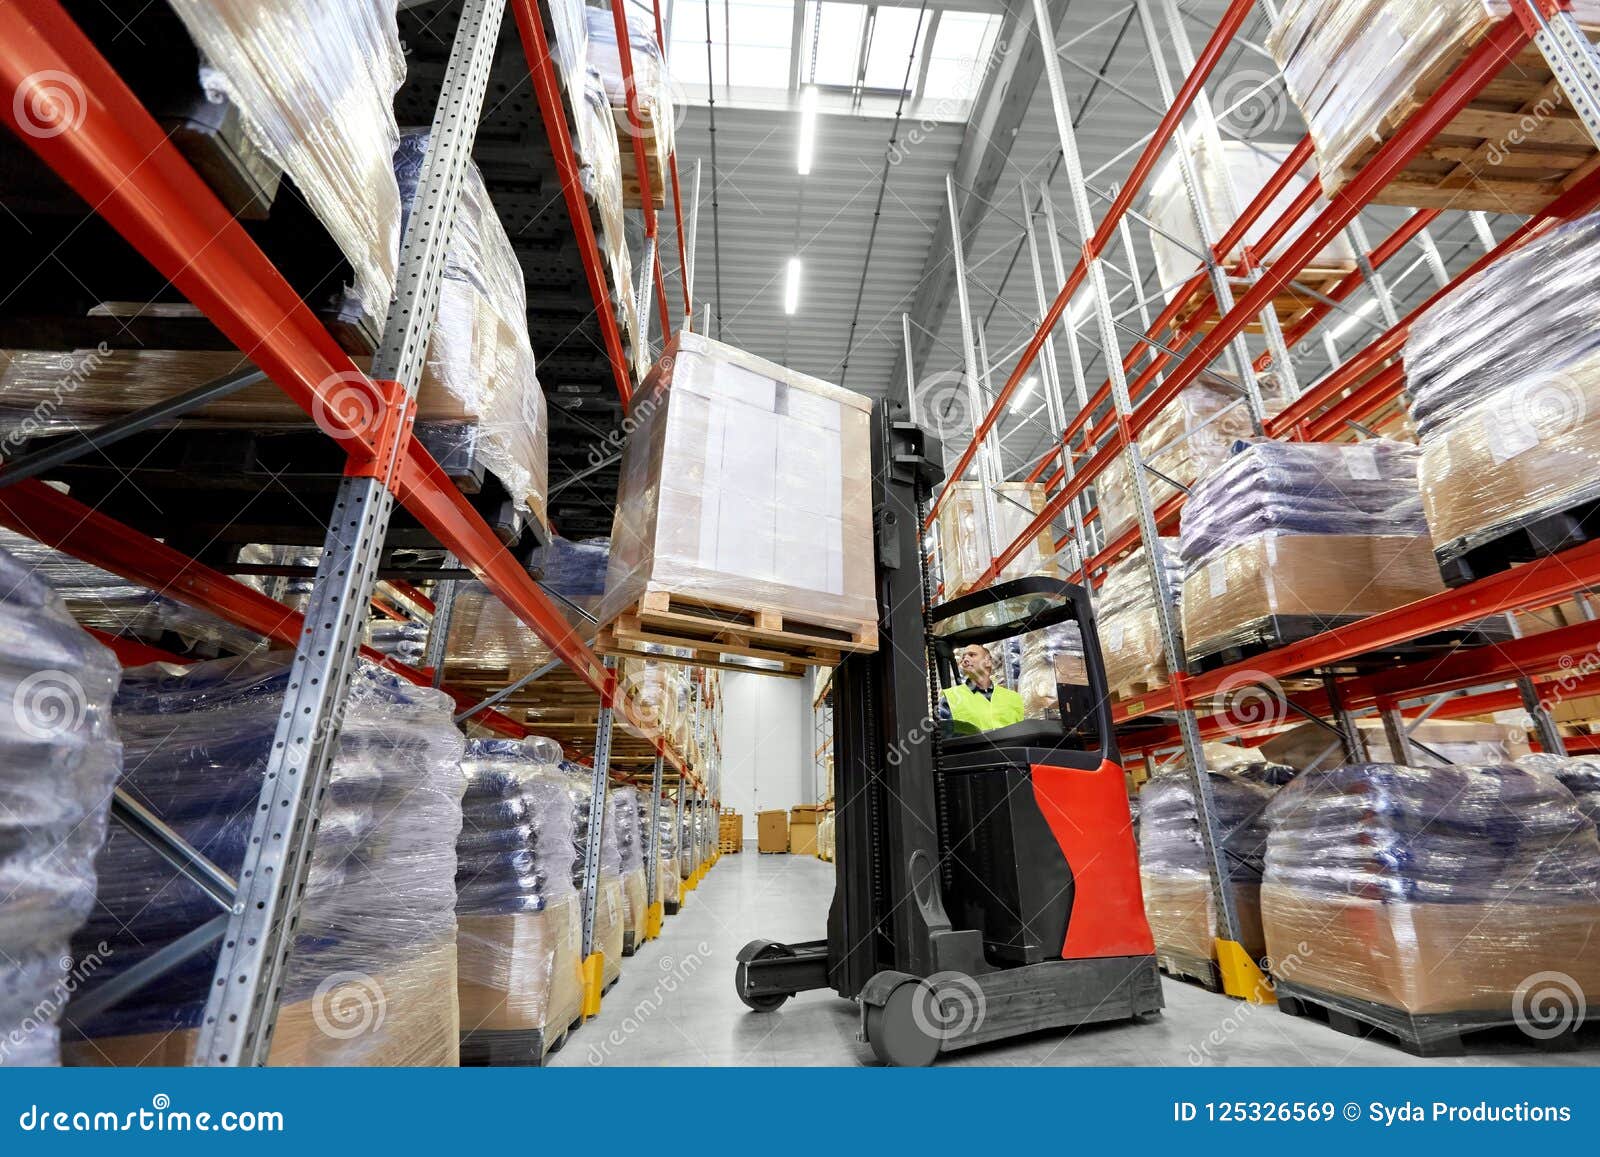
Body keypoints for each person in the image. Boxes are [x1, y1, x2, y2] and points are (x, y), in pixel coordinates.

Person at [940, 643, 1025, 734]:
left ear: (988, 662)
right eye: (963, 657)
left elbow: (1022, 734)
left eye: (972, 655)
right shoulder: (951, 697)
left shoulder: (1014, 698)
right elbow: (945, 738)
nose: (965, 660)